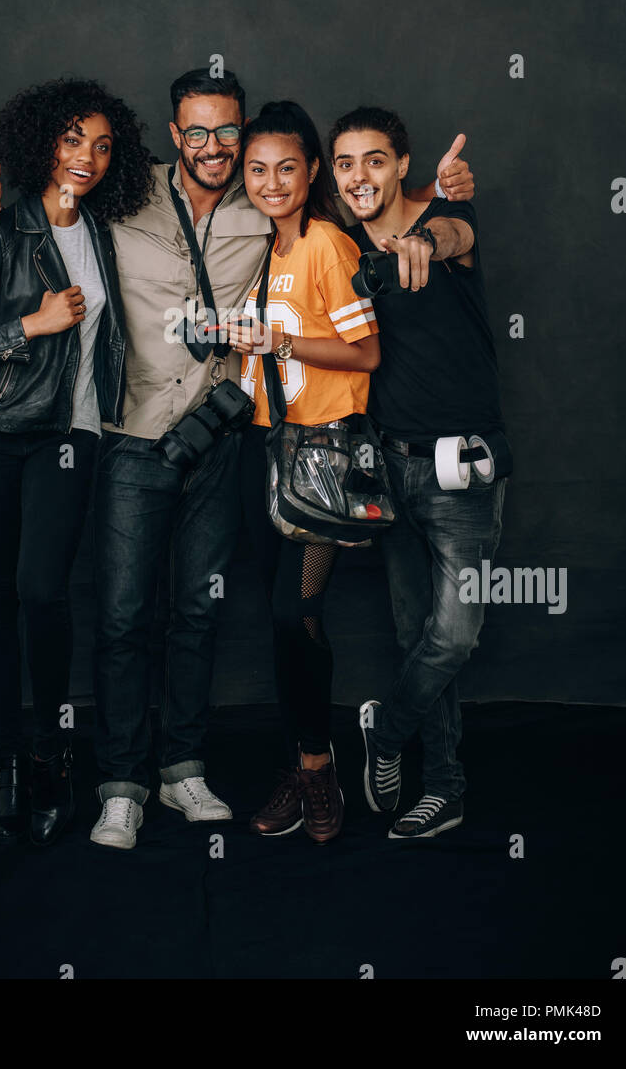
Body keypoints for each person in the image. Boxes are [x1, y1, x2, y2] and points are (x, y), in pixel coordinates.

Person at [0, 67, 473, 849]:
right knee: (126, 615)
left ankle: (185, 767)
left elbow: (377, 247)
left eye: (228, 132)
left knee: (201, 613)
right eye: (197, 131)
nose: (216, 148)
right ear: (173, 134)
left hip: (228, 440)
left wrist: (445, 207)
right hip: (134, 433)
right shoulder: (124, 191)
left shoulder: (264, 206)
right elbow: (57, 195)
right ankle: (124, 782)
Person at [0, 77, 153, 847]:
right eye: (70, 139)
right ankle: (9, 762)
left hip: (70, 434)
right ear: (40, 144)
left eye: (101, 144)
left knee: (42, 593)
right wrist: (31, 324)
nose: (86, 156)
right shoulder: (0, 230)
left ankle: (54, 748)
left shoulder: (104, 231)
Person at [329, 106, 508, 839]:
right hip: (390, 469)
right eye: (345, 164)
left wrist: (426, 237)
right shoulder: (336, 247)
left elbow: (453, 233)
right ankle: (446, 787)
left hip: (463, 471)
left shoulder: (446, 216)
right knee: (414, 637)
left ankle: (384, 734)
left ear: (404, 164)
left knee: (455, 635)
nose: (359, 176)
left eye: (375, 160)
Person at [220, 102, 380, 844]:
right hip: (263, 448)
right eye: (258, 169)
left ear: (312, 170)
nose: (272, 181)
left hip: (322, 459)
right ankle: (301, 761)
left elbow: (367, 354)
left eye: (288, 167)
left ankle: (319, 768)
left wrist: (283, 340)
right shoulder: (269, 250)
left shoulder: (327, 245)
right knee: (280, 624)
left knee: (297, 614)